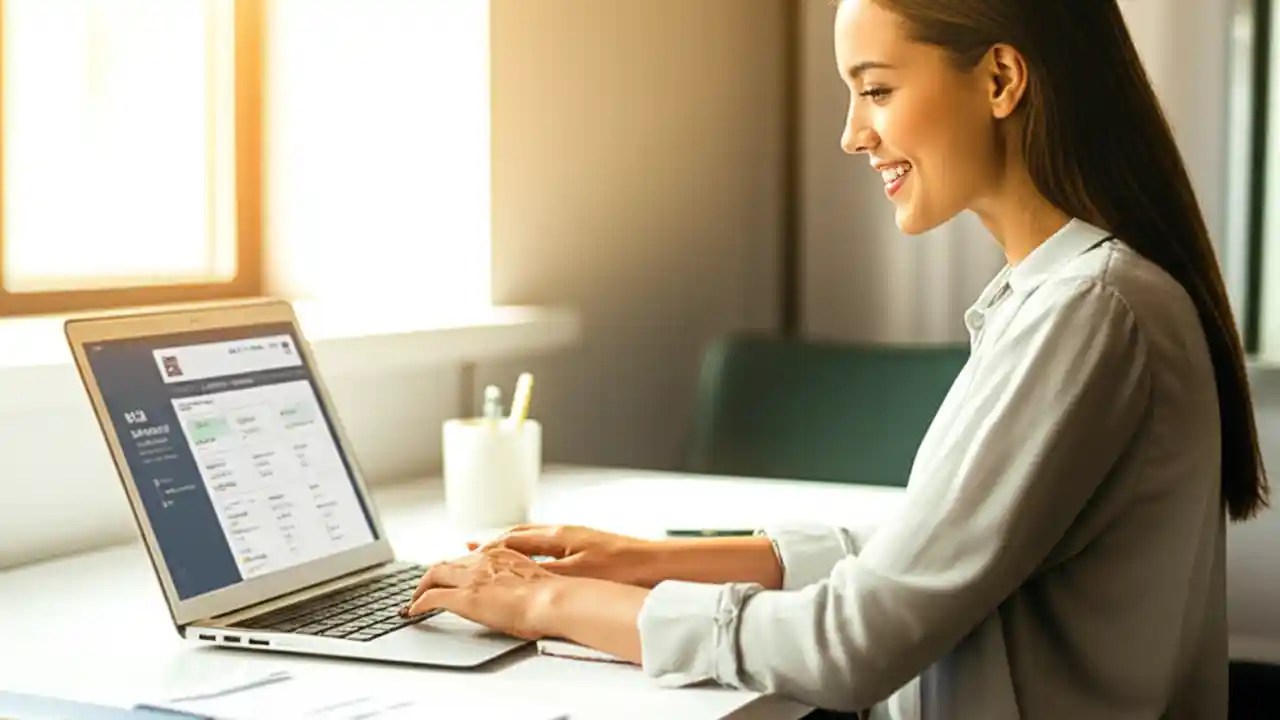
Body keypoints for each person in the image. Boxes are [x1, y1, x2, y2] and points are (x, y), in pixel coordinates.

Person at [402, 0, 1270, 716]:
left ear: (1001, 79)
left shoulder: (1091, 310)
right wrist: (647, 559)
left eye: (878, 90)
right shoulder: (1065, 295)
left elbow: (854, 644)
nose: (854, 135)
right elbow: (927, 551)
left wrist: (545, 603)